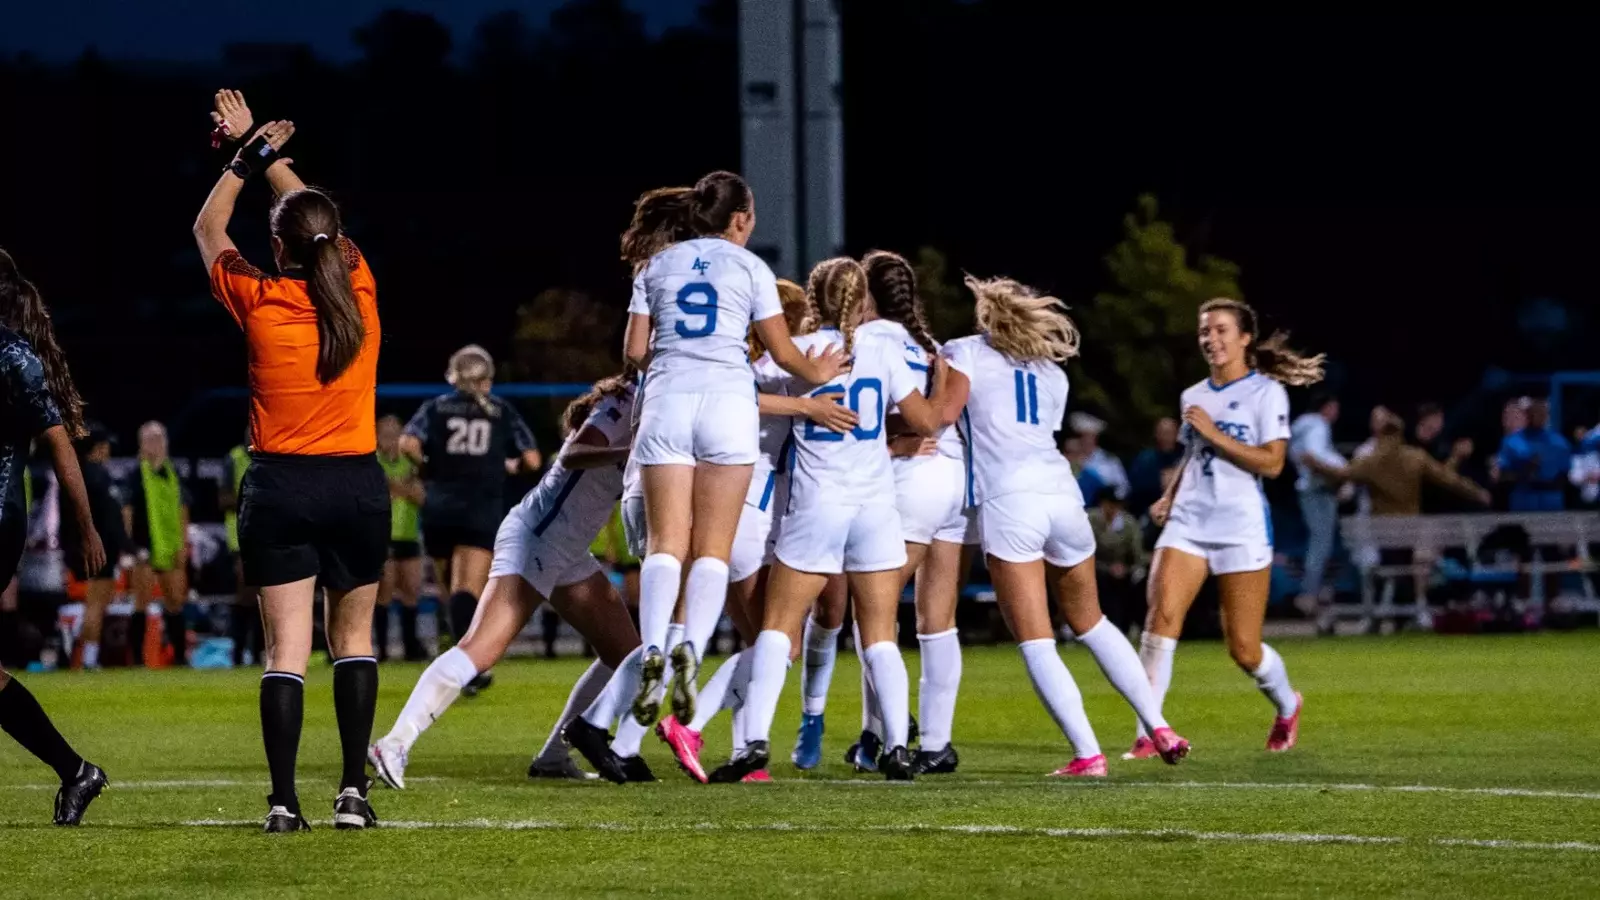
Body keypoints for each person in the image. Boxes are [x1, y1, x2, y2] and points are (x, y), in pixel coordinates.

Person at [197, 92, 387, 832]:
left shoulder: (262, 300)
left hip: (281, 485)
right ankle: (351, 794)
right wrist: (269, 156)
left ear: (277, 250)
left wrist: (243, 155)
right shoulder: (361, 292)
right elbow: (315, 218)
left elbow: (209, 227)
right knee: (356, 643)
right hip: (357, 483)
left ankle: (282, 803)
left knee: (287, 650)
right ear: (335, 245)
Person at [611, 171, 848, 732]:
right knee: (713, 548)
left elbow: (635, 350)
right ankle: (691, 647)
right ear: (740, 218)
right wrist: (820, 372)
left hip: (668, 399)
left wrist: (674, 364)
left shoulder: (655, 266)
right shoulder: (751, 268)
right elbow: (786, 355)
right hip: (727, 404)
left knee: (667, 543)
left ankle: (652, 649)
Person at [934, 276, 1187, 777]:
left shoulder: (962, 351)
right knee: (1092, 622)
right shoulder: (1053, 373)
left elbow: (943, 414)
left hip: (1011, 500)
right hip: (1063, 496)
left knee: (1037, 640)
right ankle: (1157, 724)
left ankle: (1088, 753)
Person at [713, 256, 942, 782]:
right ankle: (899, 749)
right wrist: (941, 380)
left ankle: (753, 744)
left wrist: (802, 407)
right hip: (875, 507)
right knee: (881, 634)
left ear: (813, 300)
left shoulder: (800, 354)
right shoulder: (884, 346)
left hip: (817, 505)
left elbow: (739, 396)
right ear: (864, 299)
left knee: (775, 630)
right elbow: (926, 421)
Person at [371, 374, 649, 787]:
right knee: (480, 649)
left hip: (567, 548)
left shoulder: (650, 402)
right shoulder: (626, 403)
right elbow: (577, 453)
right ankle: (394, 742)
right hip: (538, 537)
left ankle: (554, 756)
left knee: (627, 655)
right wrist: (638, 450)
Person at [796, 249, 975, 776]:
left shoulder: (865, 340)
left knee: (873, 618)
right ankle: (936, 743)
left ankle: (877, 738)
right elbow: (946, 411)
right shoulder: (934, 346)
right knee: (936, 620)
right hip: (953, 482)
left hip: (905, 482)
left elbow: (871, 414)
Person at [1134, 297, 1320, 761]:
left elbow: (1273, 464)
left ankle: (1286, 703)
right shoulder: (1193, 395)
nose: (1210, 339)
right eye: (1204, 331)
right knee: (1160, 621)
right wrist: (1170, 495)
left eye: (1220, 330)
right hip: (1189, 521)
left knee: (1243, 649)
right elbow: (1193, 453)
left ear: (1244, 339)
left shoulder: (1266, 394)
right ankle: (1149, 730)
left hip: (1240, 526)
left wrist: (1216, 432)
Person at [0, 247, 108, 825]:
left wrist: (86, 525)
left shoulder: (14, 355)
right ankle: (76, 772)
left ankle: (76, 770)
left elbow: (60, 442)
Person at [403, 345, 541, 692]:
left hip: (439, 505)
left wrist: (427, 466)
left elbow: (408, 442)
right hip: (479, 506)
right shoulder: (500, 412)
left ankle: (458, 652)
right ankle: (471, 666)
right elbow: (533, 460)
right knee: (468, 589)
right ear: (487, 379)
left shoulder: (436, 407)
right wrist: (511, 466)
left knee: (452, 589)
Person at [58, 422, 127, 670]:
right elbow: (110, 519)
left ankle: (81, 648)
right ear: (99, 447)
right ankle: (87, 658)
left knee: (92, 604)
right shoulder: (99, 476)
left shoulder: (75, 474)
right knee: (96, 605)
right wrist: (125, 547)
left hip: (80, 549)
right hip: (100, 549)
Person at [122, 421, 190, 666]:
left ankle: (181, 658)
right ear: (141, 444)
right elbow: (127, 513)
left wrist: (183, 545)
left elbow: (183, 511)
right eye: (150, 439)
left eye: (160, 439)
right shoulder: (134, 475)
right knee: (141, 602)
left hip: (170, 546)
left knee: (175, 602)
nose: (156, 444)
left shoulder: (174, 474)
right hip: (144, 546)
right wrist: (128, 547)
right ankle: (137, 660)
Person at [373, 415, 427, 662]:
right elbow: (380, 493)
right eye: (386, 435)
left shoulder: (410, 463)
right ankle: (382, 650)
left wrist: (398, 488)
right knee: (384, 591)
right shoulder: (373, 463)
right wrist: (402, 488)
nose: (392, 441)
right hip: (383, 535)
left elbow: (420, 497)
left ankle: (410, 648)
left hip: (408, 535)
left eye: (396, 435)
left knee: (412, 590)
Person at [1290, 391, 1343, 615]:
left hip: (1308, 487)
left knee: (1319, 541)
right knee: (1321, 543)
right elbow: (1314, 455)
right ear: (1326, 407)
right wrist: (1342, 471)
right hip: (1318, 488)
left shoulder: (1300, 426)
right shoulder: (1317, 425)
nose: (1337, 413)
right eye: (1334, 407)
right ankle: (1309, 594)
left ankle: (1314, 591)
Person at [221, 428, 263, 666]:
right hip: (240, 539)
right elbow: (222, 499)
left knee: (261, 596)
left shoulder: (270, 458)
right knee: (245, 593)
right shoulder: (234, 459)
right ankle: (239, 652)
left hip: (267, 538)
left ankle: (256, 653)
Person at [1088, 486, 1148, 636]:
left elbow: (1138, 555)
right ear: (1102, 503)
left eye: (1118, 504)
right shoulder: (1089, 520)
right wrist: (1107, 568)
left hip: (1124, 571)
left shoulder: (1128, 523)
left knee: (1137, 581)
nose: (1115, 508)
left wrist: (1126, 568)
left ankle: (1131, 625)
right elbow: (1084, 553)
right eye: (1111, 503)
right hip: (1095, 568)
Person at [1495, 397, 1571, 512]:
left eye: (1540, 411)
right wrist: (1524, 472)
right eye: (1532, 411)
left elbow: (1566, 473)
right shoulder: (1512, 441)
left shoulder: (1559, 442)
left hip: (1552, 500)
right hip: (1523, 498)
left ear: (1546, 415)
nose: (1536, 415)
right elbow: (1502, 475)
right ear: (1526, 414)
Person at [1128, 417, 1183, 519]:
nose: (1166, 437)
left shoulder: (1184, 459)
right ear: (1156, 434)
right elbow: (1135, 489)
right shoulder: (1145, 459)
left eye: (1170, 433)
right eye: (1163, 433)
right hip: (1150, 513)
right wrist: (1159, 481)